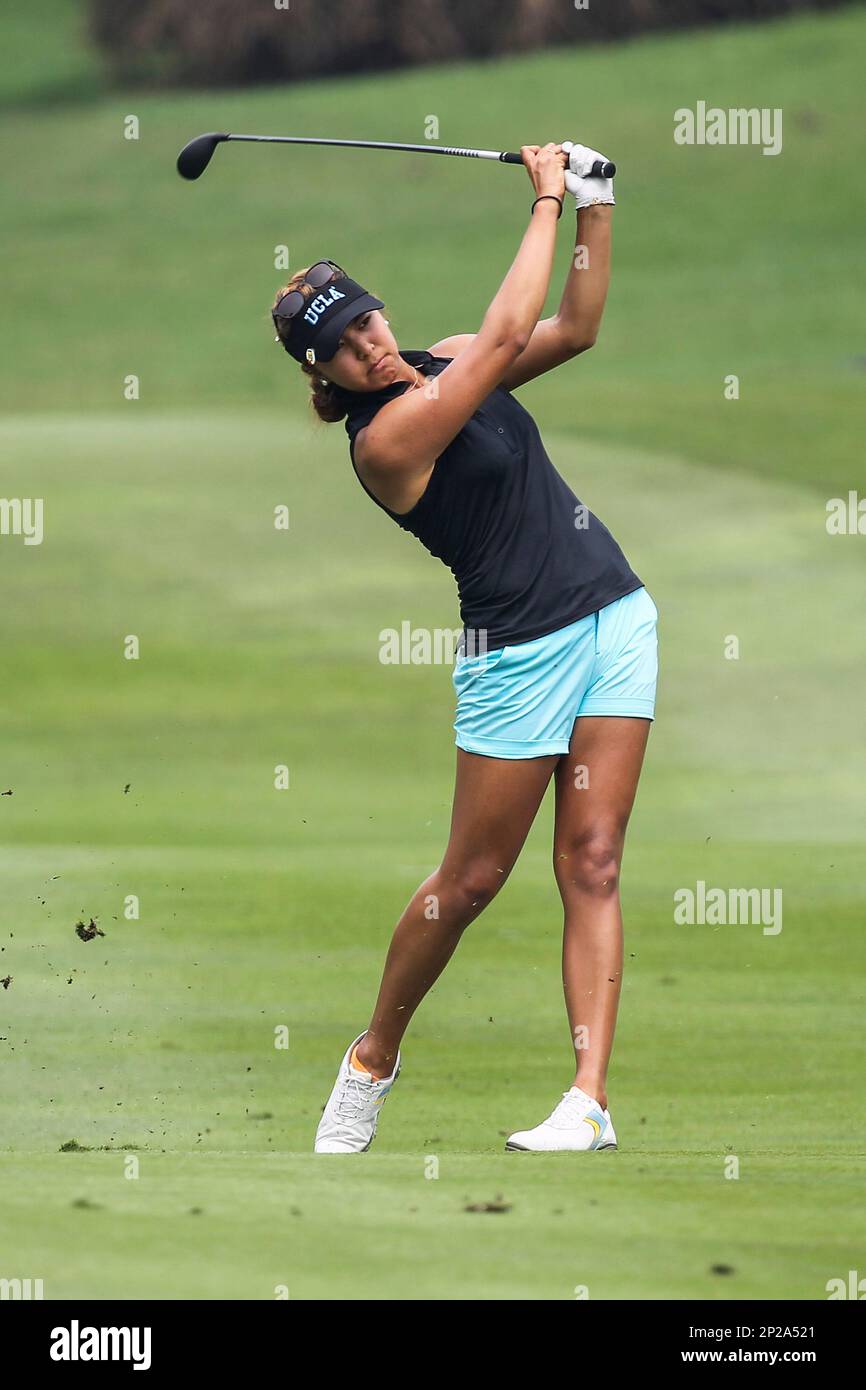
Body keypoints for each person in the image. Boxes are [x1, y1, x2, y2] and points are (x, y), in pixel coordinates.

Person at [270, 143, 658, 1154]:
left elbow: (573, 326)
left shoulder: (441, 356)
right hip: (514, 653)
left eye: (367, 318)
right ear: (321, 373)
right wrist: (541, 196)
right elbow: (494, 343)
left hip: (612, 616)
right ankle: (371, 1057)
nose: (369, 342)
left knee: (594, 858)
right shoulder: (382, 442)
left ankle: (586, 1099)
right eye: (344, 343)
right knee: (471, 879)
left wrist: (594, 203)